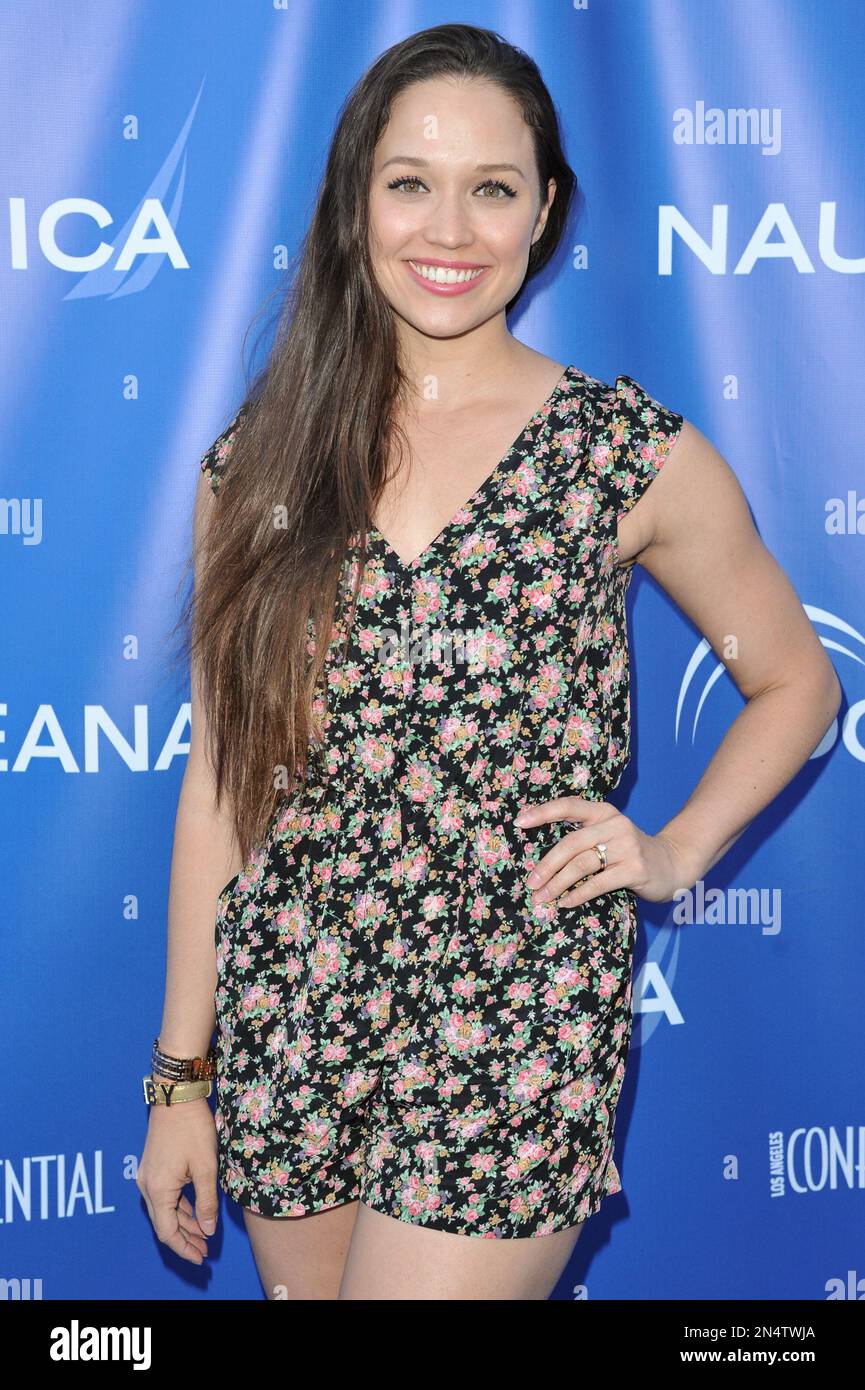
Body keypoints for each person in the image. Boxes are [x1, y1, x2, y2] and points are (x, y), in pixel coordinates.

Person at [136, 23, 841, 1301]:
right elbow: (223, 788)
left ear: (544, 210)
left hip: (516, 1005)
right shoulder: (257, 463)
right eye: (409, 182)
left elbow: (797, 681)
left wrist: (672, 850)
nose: (447, 228)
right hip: (298, 998)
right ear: (356, 203)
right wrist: (182, 1080)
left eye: (492, 187)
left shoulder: (623, 452)